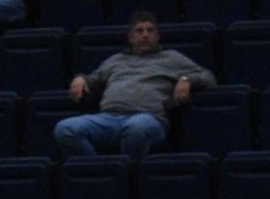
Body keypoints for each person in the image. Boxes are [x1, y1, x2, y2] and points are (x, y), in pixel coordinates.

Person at [55, 11, 214, 161]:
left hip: (148, 118)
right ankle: (98, 170)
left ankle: (127, 175)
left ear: (157, 36)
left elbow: (208, 77)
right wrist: (79, 78)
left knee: (136, 127)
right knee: (65, 128)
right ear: (130, 37)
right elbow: (92, 79)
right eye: (139, 31)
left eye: (150, 30)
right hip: (108, 118)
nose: (145, 35)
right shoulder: (116, 59)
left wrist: (187, 78)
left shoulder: (173, 58)